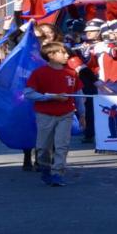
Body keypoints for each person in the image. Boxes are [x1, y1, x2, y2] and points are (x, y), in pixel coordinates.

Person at [24, 40, 81, 185]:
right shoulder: (39, 73)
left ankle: (58, 173)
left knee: (62, 145)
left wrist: (83, 114)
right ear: (51, 55)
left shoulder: (72, 73)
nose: (67, 55)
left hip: (66, 114)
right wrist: (49, 97)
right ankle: (45, 167)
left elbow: (79, 95)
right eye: (63, 52)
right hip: (45, 114)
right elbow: (28, 94)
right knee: (43, 147)